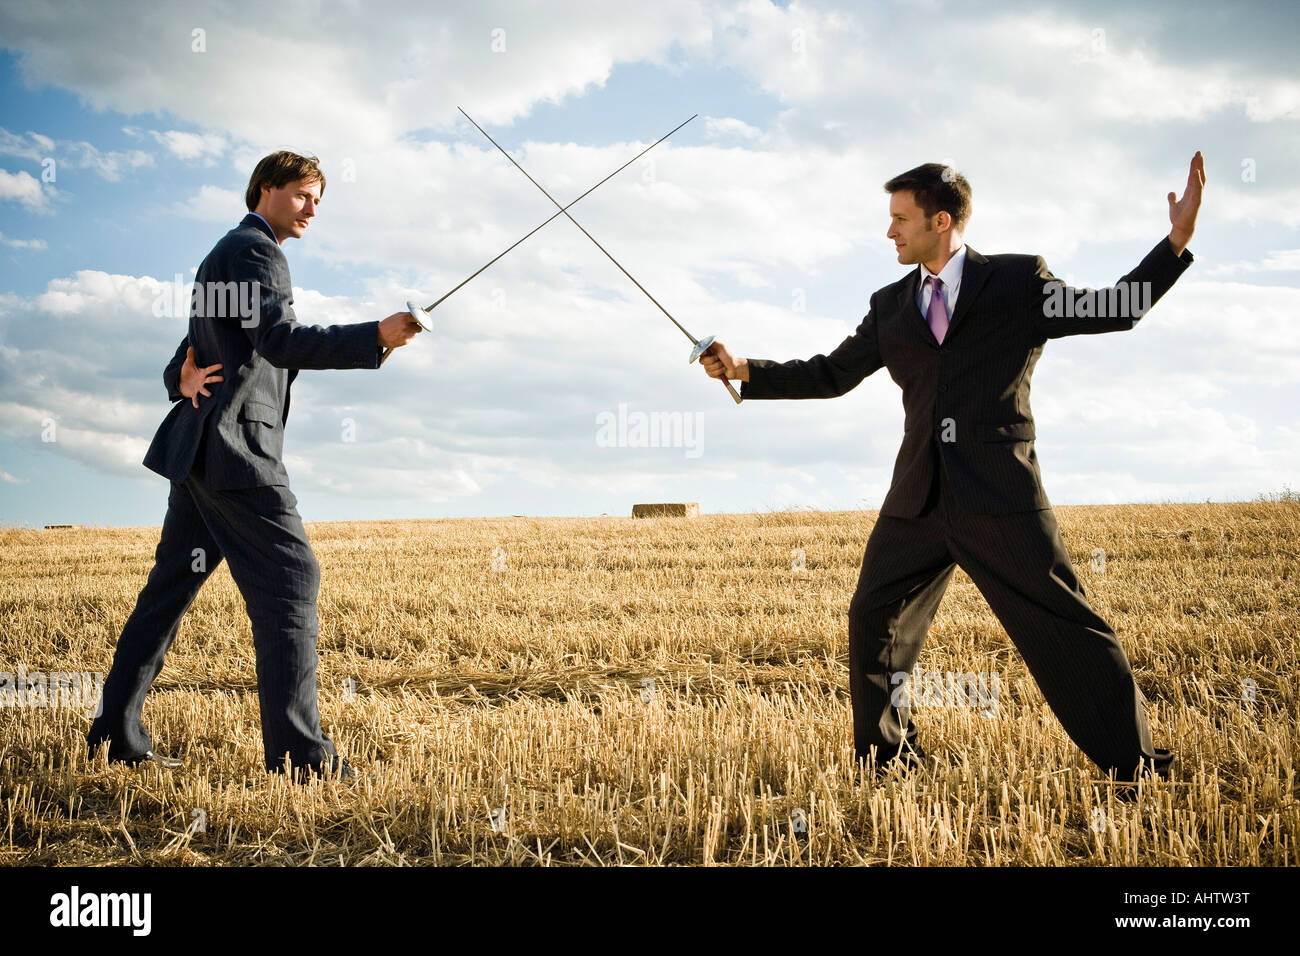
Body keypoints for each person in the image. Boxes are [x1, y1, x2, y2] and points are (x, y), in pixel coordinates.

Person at [700, 153, 1205, 789]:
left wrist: (1176, 243)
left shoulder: (1020, 282)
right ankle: (888, 764)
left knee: (1066, 629)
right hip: (917, 498)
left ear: (942, 221)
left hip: (1000, 494)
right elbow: (830, 373)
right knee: (873, 616)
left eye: (900, 219)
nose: (890, 232)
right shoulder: (890, 306)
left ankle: (1137, 768)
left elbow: (1114, 308)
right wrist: (746, 369)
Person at [87, 150, 423, 781]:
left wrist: (176, 378)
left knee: (167, 592)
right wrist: (375, 336)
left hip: (202, 453)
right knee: (293, 582)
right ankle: (299, 756)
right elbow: (279, 340)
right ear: (266, 189)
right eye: (302, 194)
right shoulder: (256, 251)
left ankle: (113, 732)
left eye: (318, 198)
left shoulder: (226, 252)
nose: (313, 208)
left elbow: (195, 346)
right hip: (237, 454)